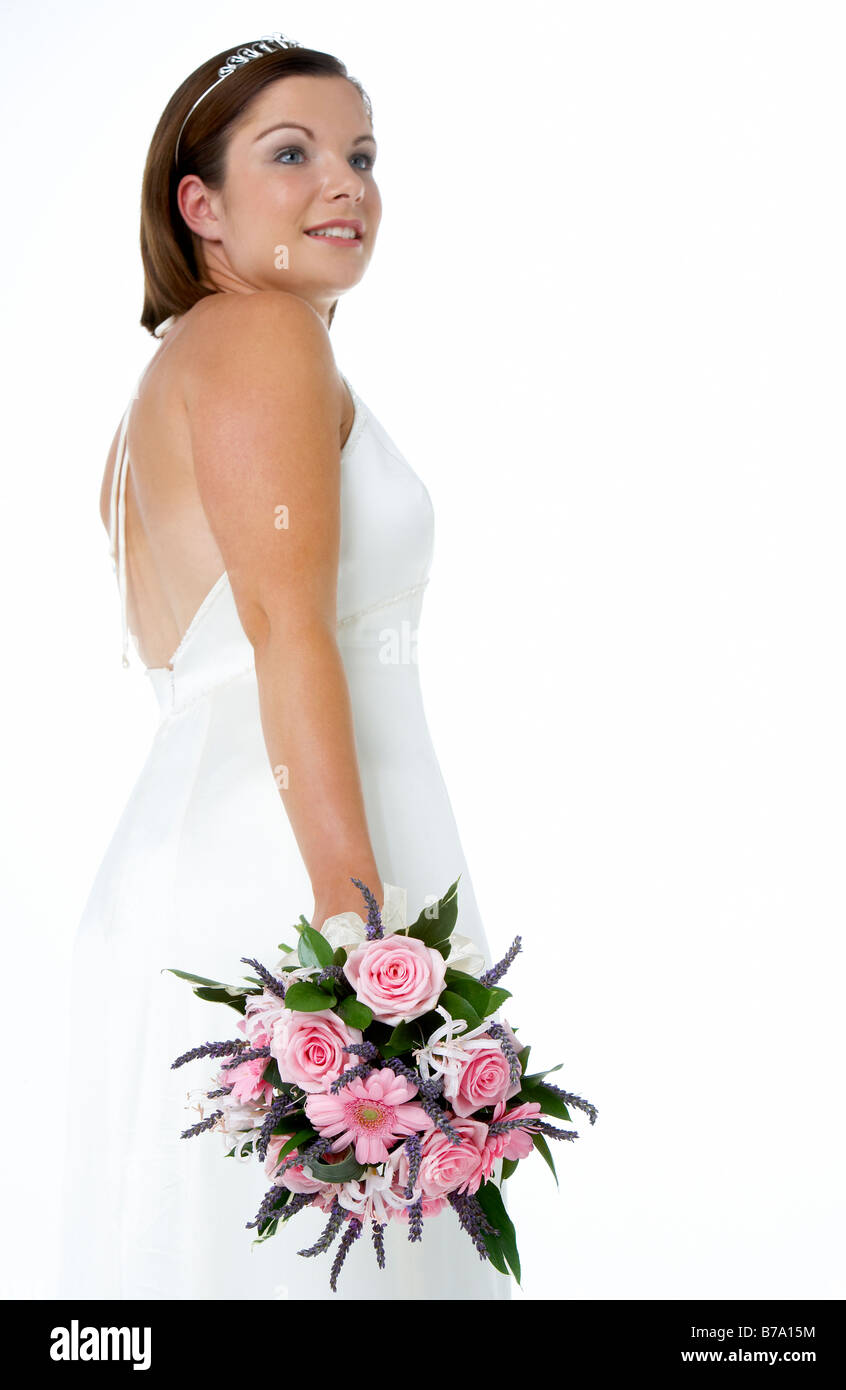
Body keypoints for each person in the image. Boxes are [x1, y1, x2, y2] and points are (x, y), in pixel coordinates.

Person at [56, 37, 512, 1300]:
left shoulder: (179, 369)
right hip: (285, 876)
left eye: (361, 156)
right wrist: (360, 956)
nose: (344, 185)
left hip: (209, 850)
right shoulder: (261, 340)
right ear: (197, 206)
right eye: (292, 154)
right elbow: (286, 635)